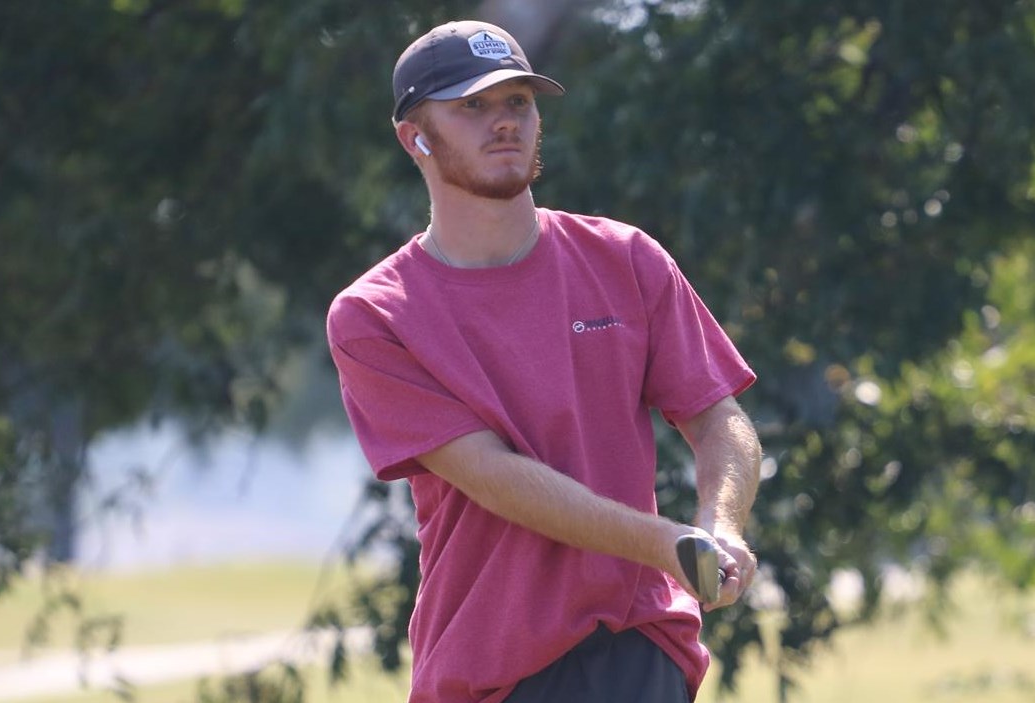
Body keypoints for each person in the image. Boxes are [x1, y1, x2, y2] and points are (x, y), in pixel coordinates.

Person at [326, 19, 762, 703]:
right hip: (488, 670)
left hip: (636, 643)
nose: (503, 121)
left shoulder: (627, 259)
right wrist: (667, 543)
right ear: (415, 137)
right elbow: (493, 476)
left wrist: (720, 524)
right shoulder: (375, 315)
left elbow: (718, 418)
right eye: (472, 105)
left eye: (518, 102)